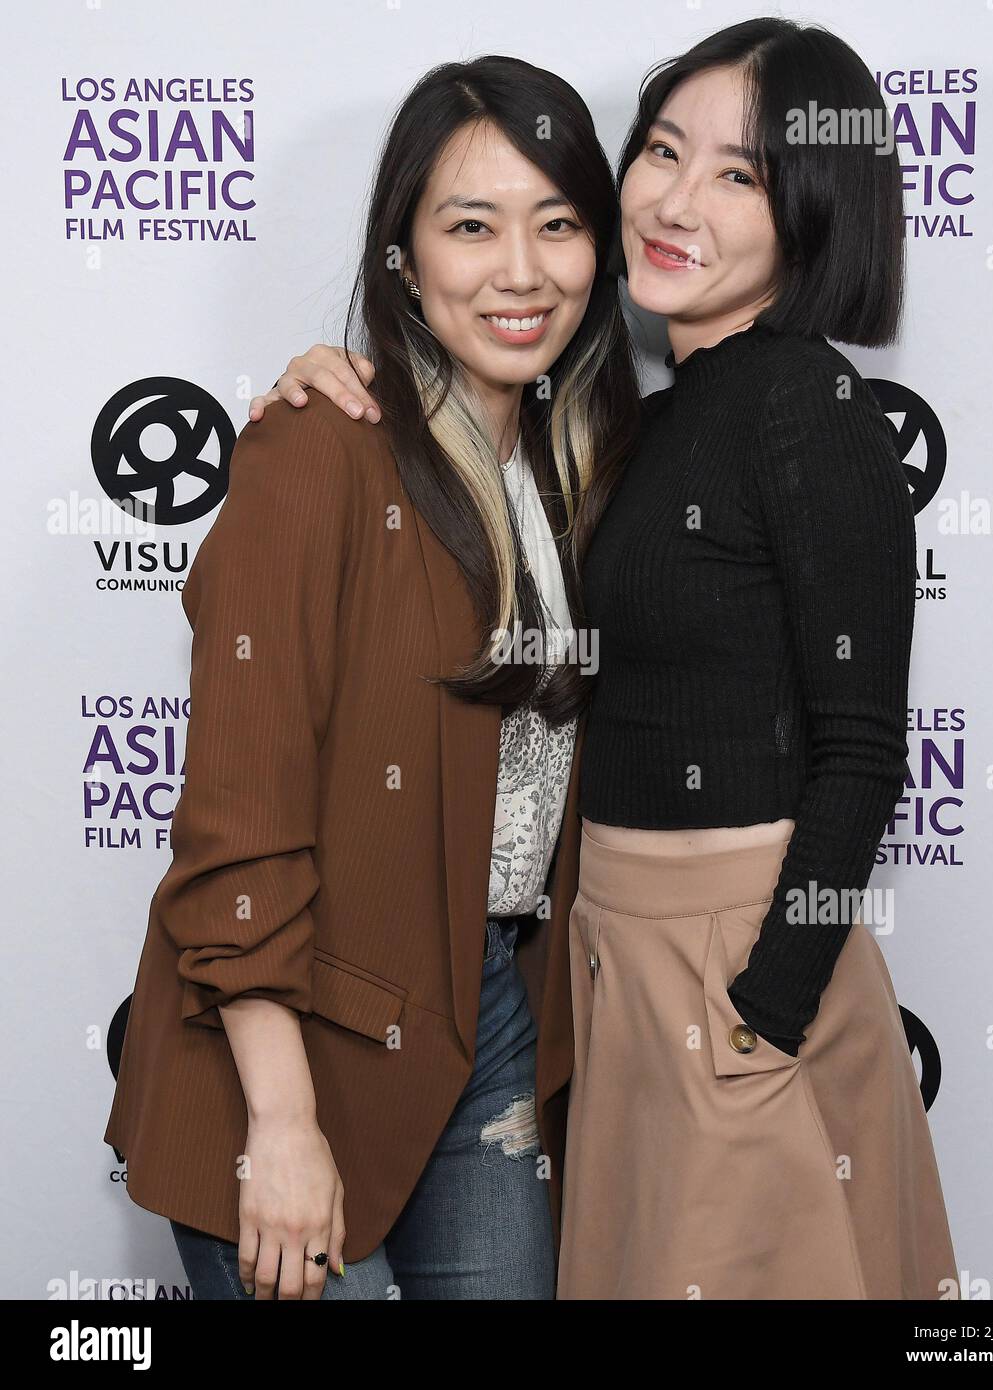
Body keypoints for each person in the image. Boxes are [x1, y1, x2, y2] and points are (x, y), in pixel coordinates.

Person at [250, 18, 959, 1300]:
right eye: (663, 150)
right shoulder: (637, 427)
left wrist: (766, 1007)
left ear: (810, 208)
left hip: (733, 969)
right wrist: (345, 376)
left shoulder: (805, 401)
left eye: (737, 175)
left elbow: (860, 745)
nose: (675, 200)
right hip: (600, 971)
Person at [103, 54, 641, 1300]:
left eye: (557, 224)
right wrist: (280, 1124)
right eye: (470, 225)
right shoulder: (318, 450)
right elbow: (237, 818)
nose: (521, 269)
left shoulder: (584, 470)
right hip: (287, 1038)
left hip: (490, 1014)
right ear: (402, 256)